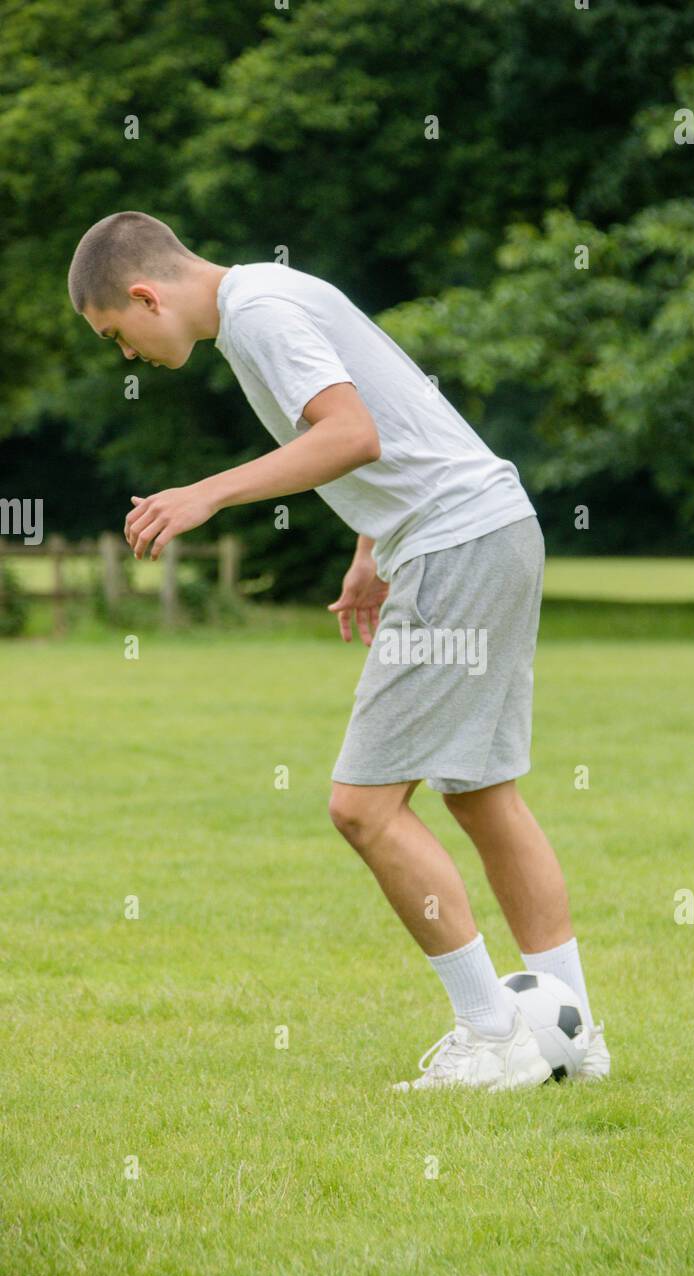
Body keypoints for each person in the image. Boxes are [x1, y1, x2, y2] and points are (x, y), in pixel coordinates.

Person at [67, 210, 609, 1093]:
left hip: (457, 543)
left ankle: (490, 1031)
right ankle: (573, 1039)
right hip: (491, 529)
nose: (126, 355)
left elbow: (353, 434)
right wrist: (370, 549)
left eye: (116, 336)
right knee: (480, 794)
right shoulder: (274, 294)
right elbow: (391, 416)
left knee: (363, 808)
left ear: (143, 294)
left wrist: (206, 494)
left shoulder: (257, 316)